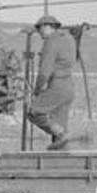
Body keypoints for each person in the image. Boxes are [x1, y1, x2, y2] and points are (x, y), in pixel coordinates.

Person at [26, 15, 75, 151]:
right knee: (59, 125)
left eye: (40, 28)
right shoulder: (67, 39)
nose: (39, 32)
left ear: (48, 26)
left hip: (57, 86)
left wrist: (37, 89)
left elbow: (45, 70)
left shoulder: (51, 41)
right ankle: (61, 161)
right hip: (69, 87)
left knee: (34, 112)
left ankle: (61, 134)